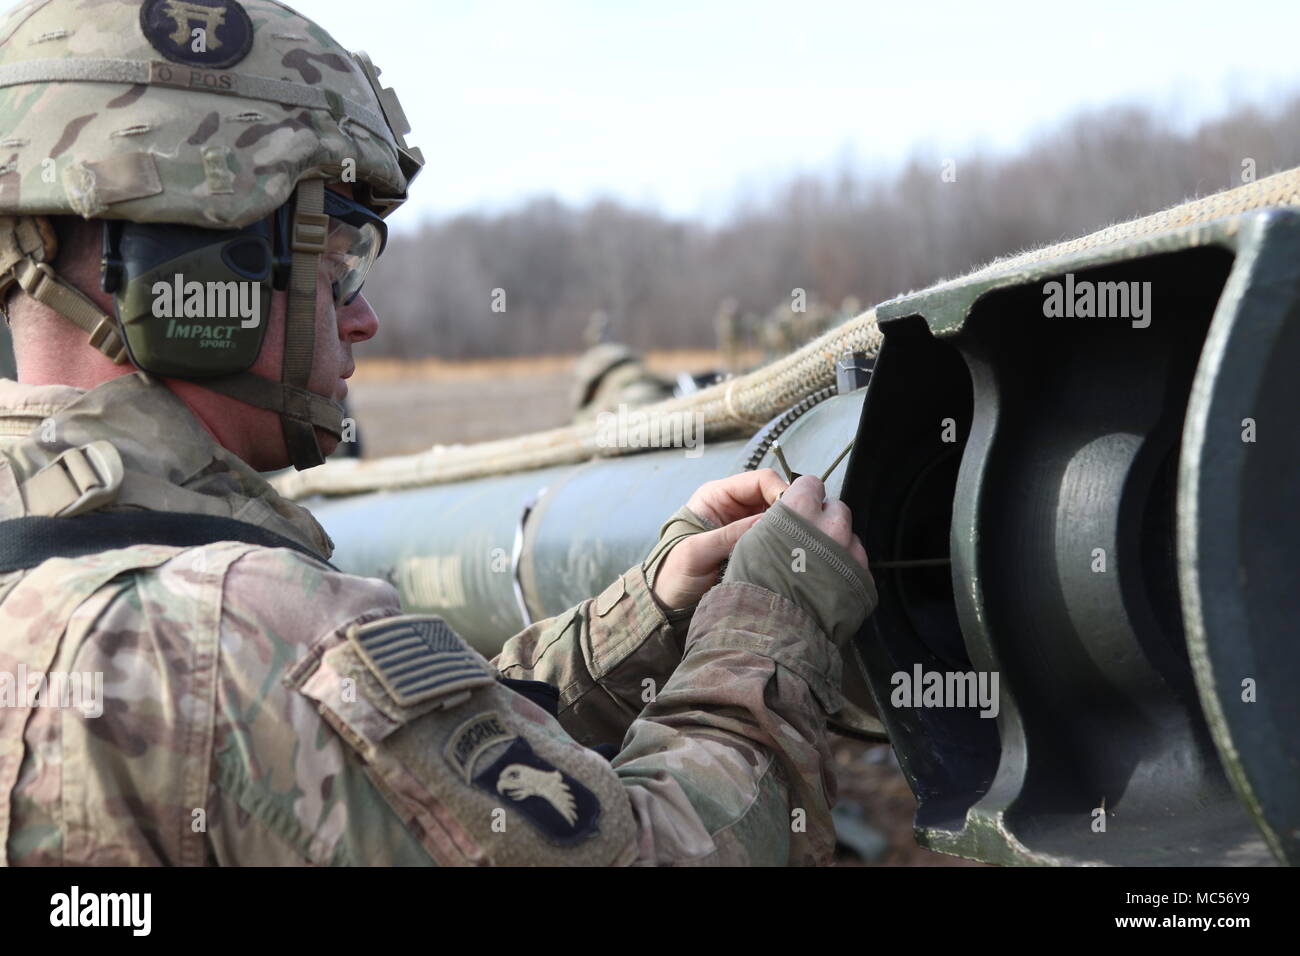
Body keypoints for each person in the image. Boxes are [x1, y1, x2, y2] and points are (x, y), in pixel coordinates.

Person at [0, 0, 877, 865]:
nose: (364, 318)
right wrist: (765, 628)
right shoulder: (247, 633)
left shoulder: (65, 560)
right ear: (185, 274)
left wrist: (649, 615)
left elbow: (406, 779)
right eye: (337, 262)